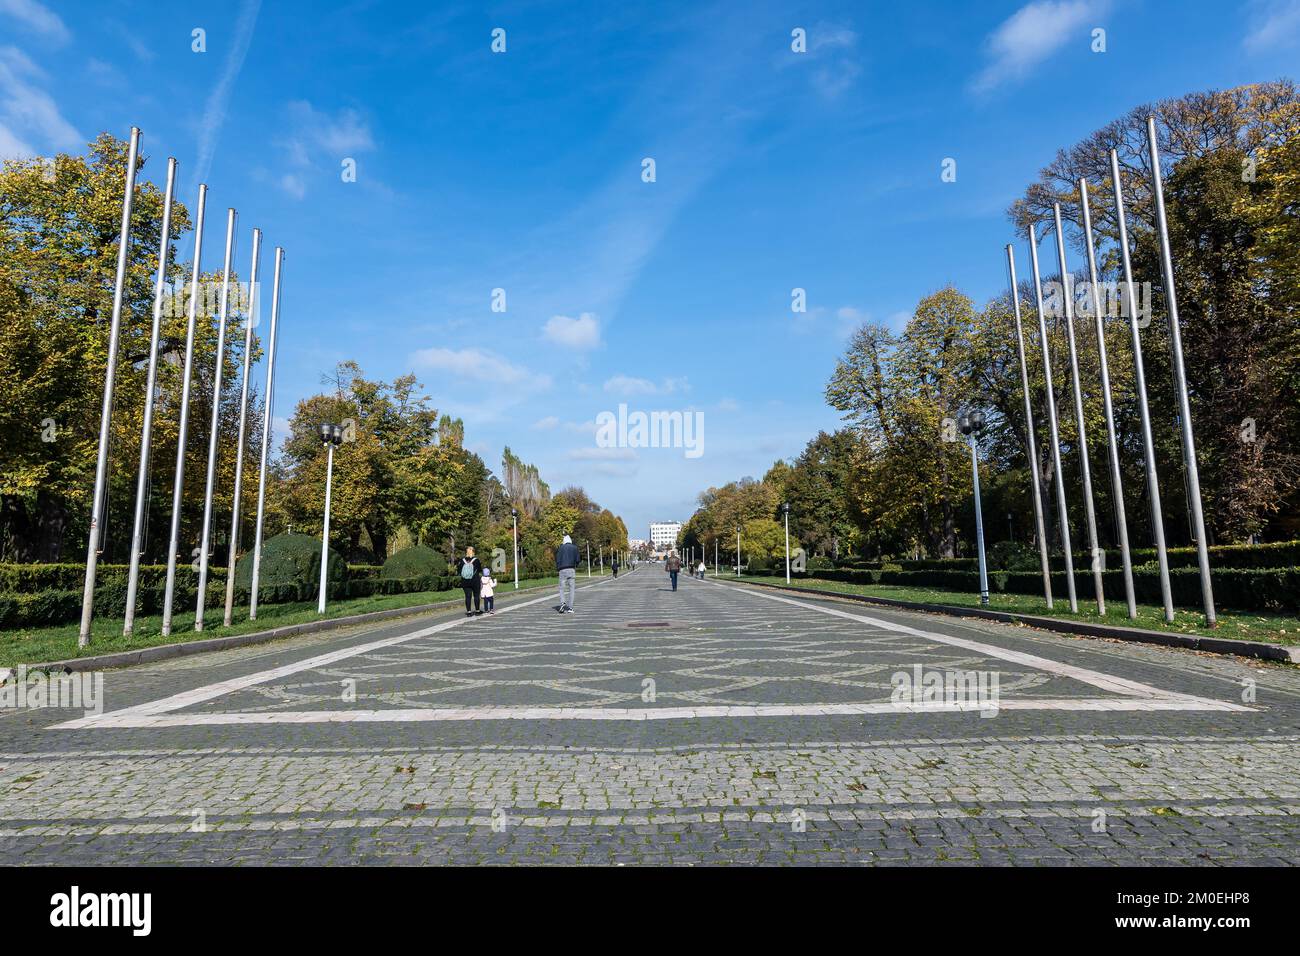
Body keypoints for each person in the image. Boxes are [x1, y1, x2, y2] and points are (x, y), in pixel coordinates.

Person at [555, 533, 580, 613]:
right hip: (571, 569)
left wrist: (558, 568)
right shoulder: (575, 548)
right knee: (571, 588)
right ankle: (570, 607)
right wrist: (576, 565)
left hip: (562, 570)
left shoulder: (560, 548)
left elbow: (557, 559)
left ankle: (562, 603)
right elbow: (577, 559)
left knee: (562, 587)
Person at [458, 546, 483, 617]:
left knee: (468, 596)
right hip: (475, 580)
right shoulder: (476, 560)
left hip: (465, 581)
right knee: (476, 596)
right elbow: (479, 570)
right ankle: (477, 611)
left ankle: (469, 612)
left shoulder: (462, 561)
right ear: (473, 552)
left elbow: (459, 571)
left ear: (466, 552)